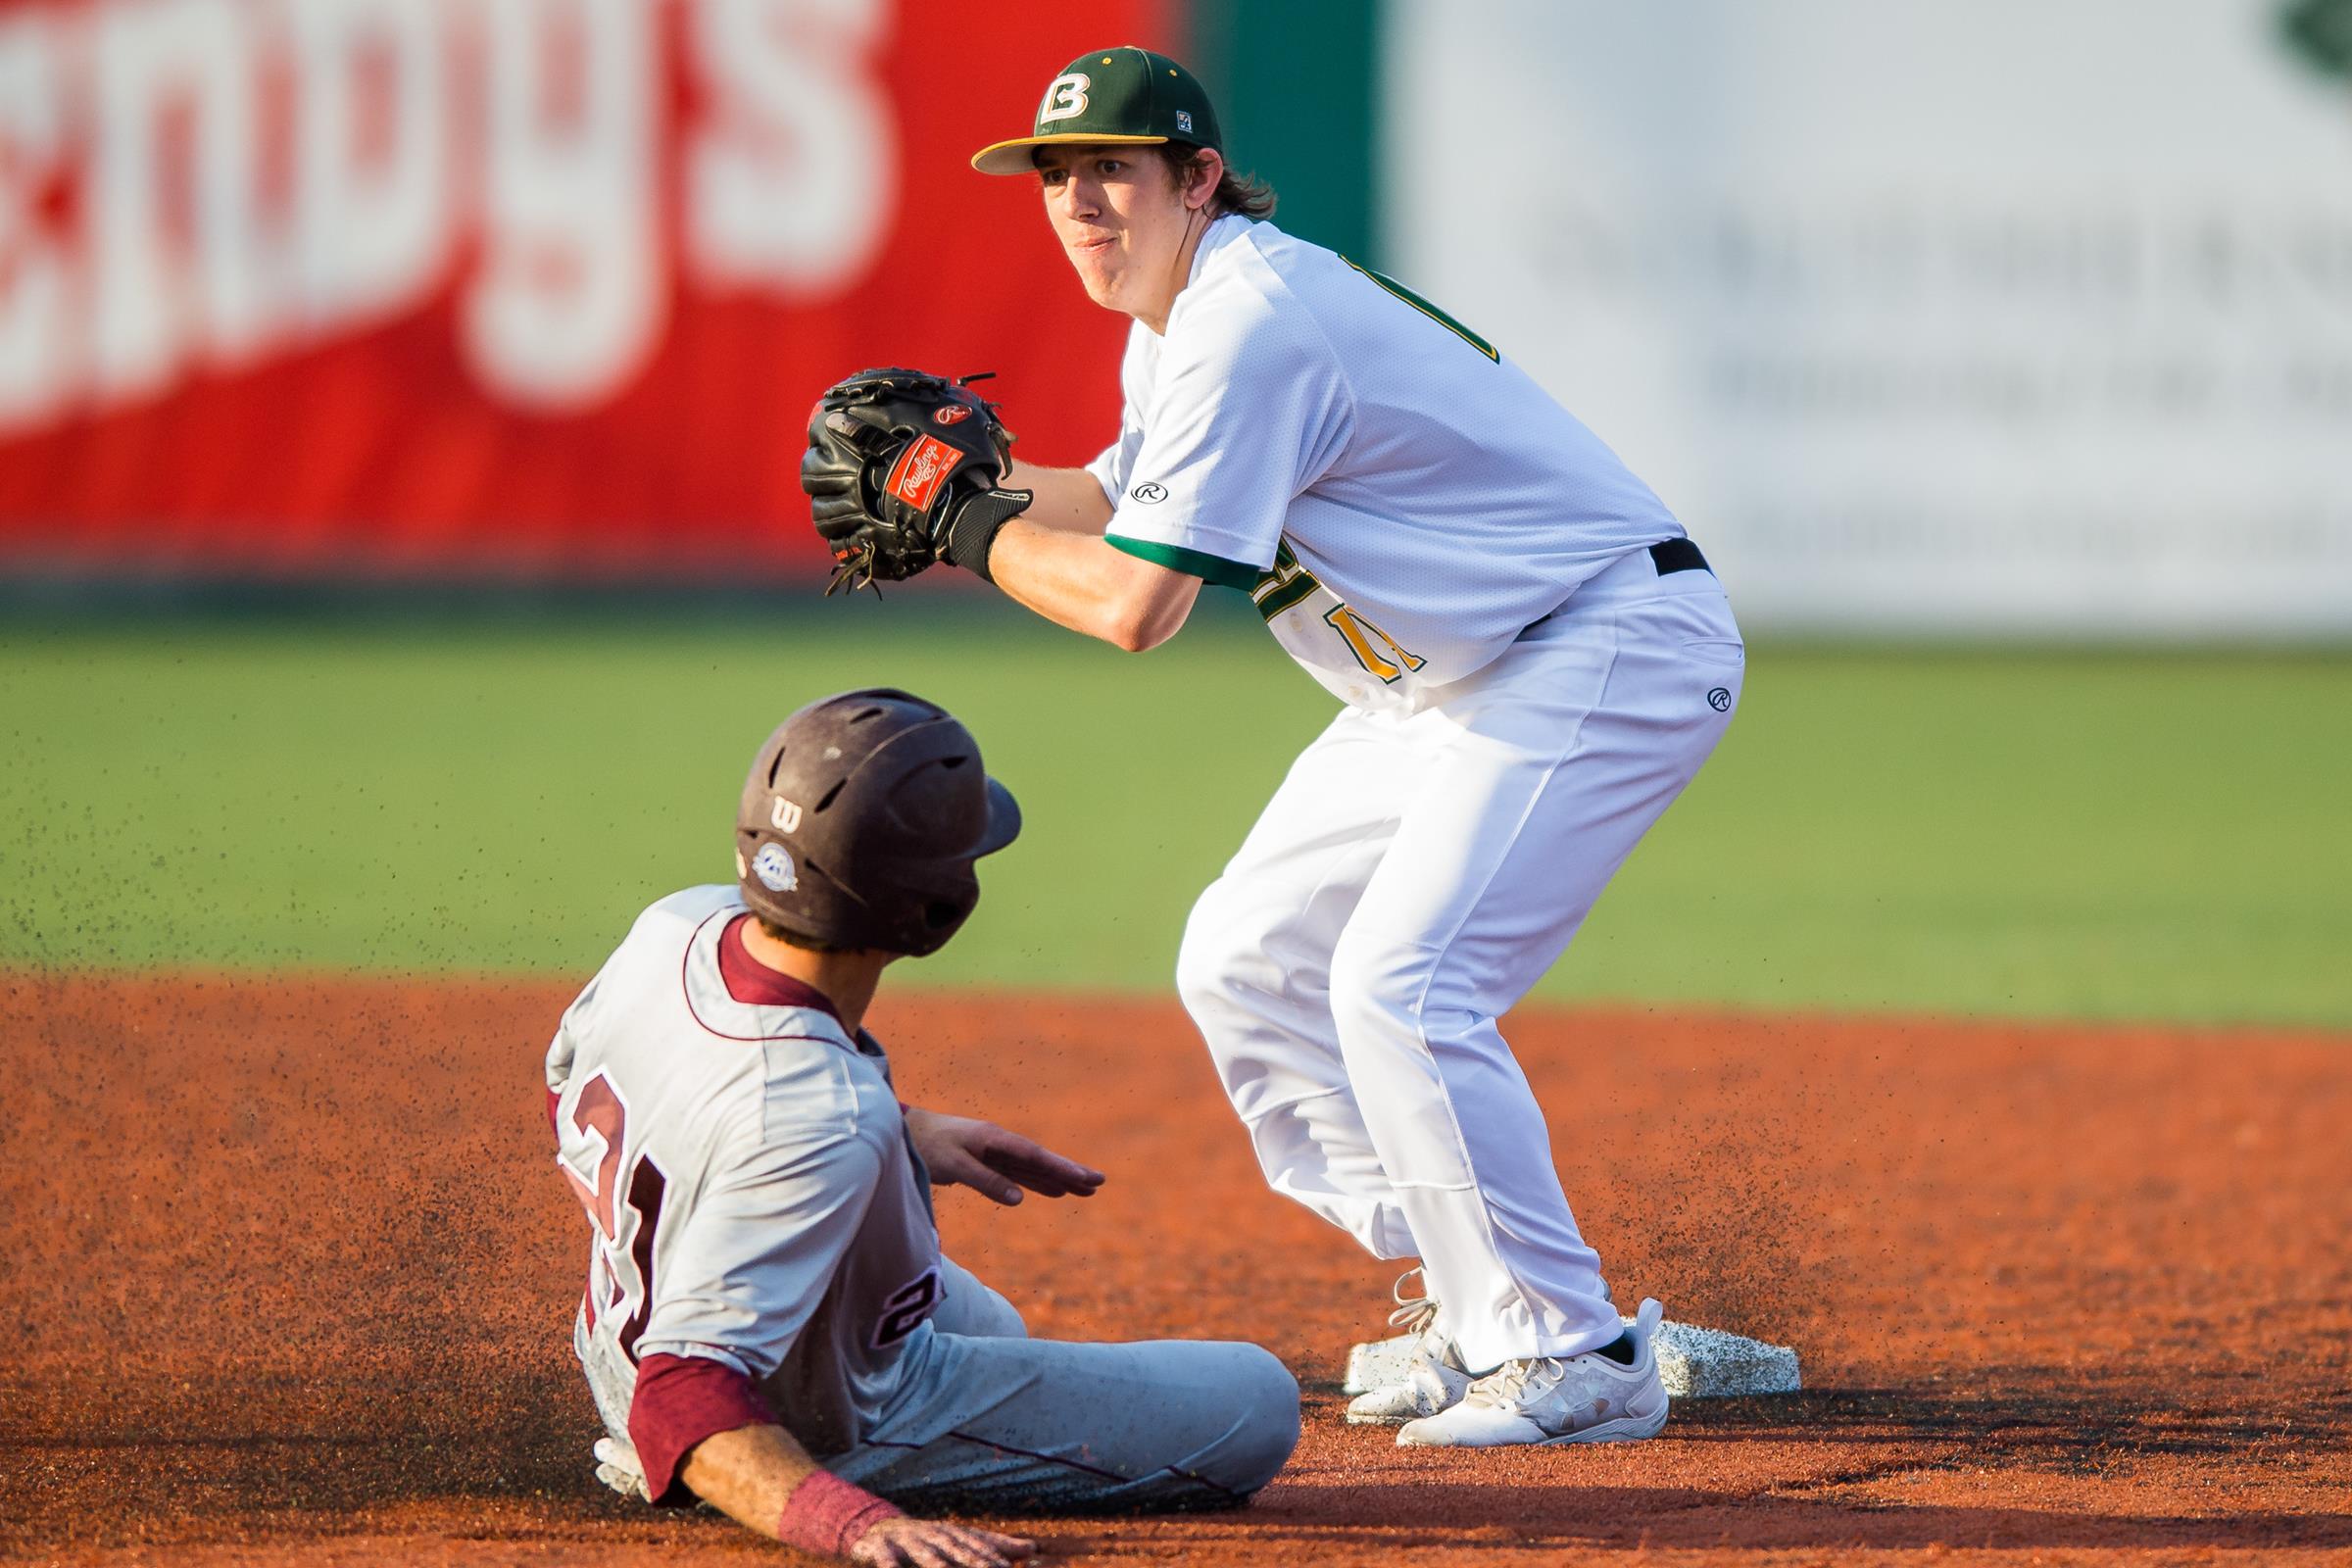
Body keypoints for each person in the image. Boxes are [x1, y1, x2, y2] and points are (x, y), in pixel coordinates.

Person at [801, 46, 1744, 1449]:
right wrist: (966, 481)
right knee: (1244, 959)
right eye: (1055, 177)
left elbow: (1137, 601)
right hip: (1455, 680)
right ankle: (1474, 1292)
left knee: (1403, 984)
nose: (1079, 204)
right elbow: (1126, 496)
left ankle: (1569, 1352)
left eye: (1112, 170)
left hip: (1599, 643)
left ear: (1196, 180)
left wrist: (961, 523)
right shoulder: (1185, 316)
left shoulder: (1250, 317)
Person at [546, 688, 1299, 1565]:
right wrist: (858, 1525)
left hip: (618, 1335)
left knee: (994, 1327)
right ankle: (756, 1474)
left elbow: (577, 1077)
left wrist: (904, 1130)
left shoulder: (678, 925)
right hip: (763, 1412)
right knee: (1258, 1404)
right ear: (935, 911)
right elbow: (684, 1392)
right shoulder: (818, 1117)